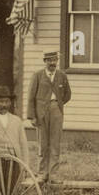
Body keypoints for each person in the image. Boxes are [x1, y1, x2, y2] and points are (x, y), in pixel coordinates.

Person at [26, 50, 71, 184]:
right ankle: (42, 174)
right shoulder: (38, 76)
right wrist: (32, 116)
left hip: (56, 110)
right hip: (41, 113)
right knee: (43, 143)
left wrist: (58, 103)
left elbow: (68, 94)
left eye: (54, 60)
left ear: (57, 61)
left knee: (55, 143)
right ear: (45, 61)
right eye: (49, 60)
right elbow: (30, 97)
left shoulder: (62, 76)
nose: (52, 63)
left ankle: (54, 174)